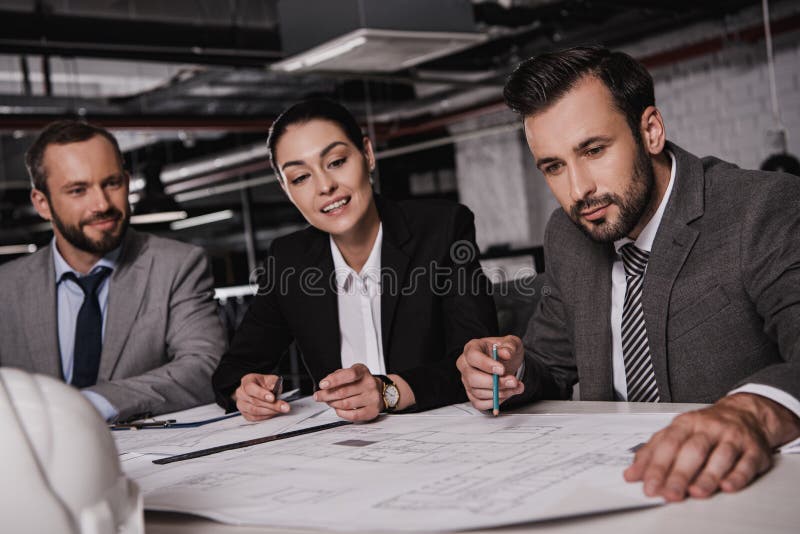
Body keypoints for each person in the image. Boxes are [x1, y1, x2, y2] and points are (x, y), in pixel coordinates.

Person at [457, 46, 800, 502]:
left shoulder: (760, 208)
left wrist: (751, 414)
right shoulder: (567, 233)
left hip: (733, 492)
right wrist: (508, 367)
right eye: (554, 167)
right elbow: (551, 364)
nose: (579, 190)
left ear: (651, 131)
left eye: (594, 150)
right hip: (609, 486)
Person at [212, 99, 497, 422]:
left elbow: (476, 359)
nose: (325, 186)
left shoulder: (442, 229)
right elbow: (234, 369)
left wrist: (388, 391)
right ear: (285, 188)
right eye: (300, 177)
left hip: (444, 430)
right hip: (346, 446)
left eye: (336, 161)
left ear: (367, 154)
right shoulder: (289, 260)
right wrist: (246, 391)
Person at [0, 120, 226, 422]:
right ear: (42, 203)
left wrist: (92, 404)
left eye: (111, 183)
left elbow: (205, 366)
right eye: (78, 190)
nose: (102, 204)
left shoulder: (177, 265)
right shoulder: (6, 288)